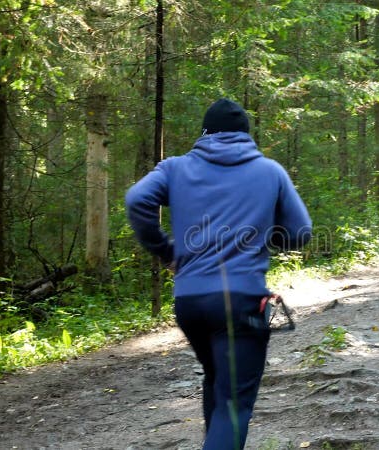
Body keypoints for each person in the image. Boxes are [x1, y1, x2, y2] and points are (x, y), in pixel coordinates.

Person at [125, 98, 312, 449]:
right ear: (246, 135)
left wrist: (167, 252)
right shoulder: (270, 171)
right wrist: (263, 233)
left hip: (191, 303)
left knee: (217, 381)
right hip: (241, 302)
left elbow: (137, 200)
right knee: (233, 403)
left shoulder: (175, 168)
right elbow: (300, 232)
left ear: (204, 133)